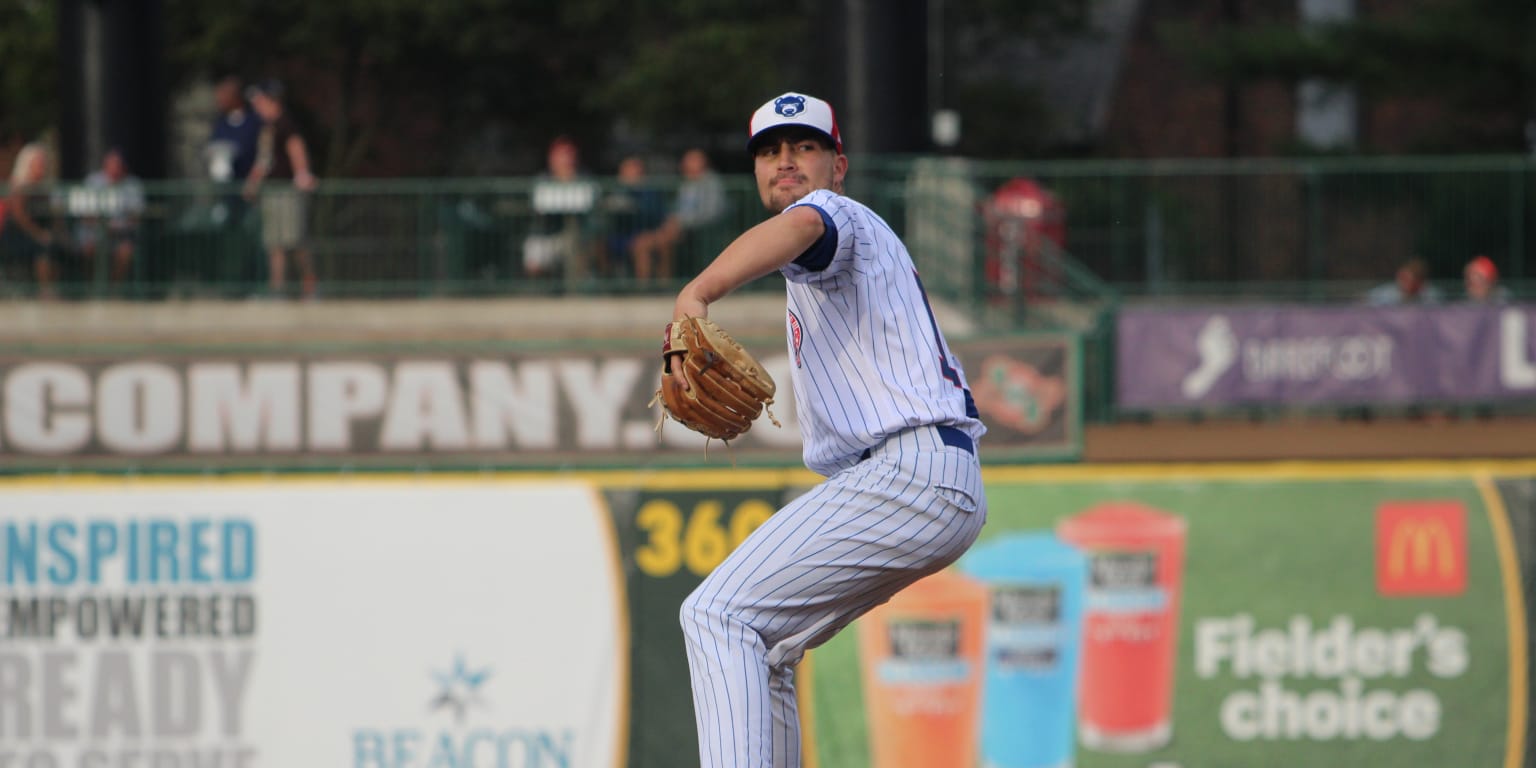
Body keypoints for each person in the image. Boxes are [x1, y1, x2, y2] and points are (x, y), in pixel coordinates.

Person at [671, 92, 988, 768]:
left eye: (804, 146)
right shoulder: (829, 248)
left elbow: (804, 226)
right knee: (768, 647)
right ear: (754, 170)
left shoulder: (833, 213)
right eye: (769, 150)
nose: (785, 160)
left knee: (717, 615)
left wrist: (696, 293)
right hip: (920, 476)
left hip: (909, 470)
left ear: (837, 164)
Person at [243, 78, 318, 299]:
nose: (256, 105)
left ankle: (311, 286)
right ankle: (277, 290)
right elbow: (264, 161)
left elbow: (296, 150)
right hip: (272, 190)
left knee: (295, 241)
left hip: (286, 190)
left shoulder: (285, 124)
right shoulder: (268, 128)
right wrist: (253, 183)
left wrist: (302, 173)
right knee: (274, 243)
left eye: (260, 100)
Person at [631, 147, 727, 282]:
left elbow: (712, 211)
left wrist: (683, 222)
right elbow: (679, 208)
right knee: (640, 243)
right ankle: (645, 284)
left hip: (698, 231)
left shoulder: (711, 183)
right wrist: (673, 220)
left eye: (692, 161)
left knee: (659, 241)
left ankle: (664, 282)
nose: (686, 165)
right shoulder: (687, 184)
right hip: (679, 229)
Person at [523, 136, 599, 280]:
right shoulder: (542, 179)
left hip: (578, 237)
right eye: (562, 155)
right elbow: (536, 207)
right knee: (535, 260)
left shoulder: (586, 178)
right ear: (552, 158)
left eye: (569, 155)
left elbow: (593, 206)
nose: (566, 159)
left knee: (581, 247)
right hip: (546, 235)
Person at [73, 148, 144, 286]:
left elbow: (136, 215)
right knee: (88, 249)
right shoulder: (92, 182)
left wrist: (117, 226)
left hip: (121, 235)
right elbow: (84, 213)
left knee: (125, 251)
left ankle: (113, 288)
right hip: (94, 233)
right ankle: (93, 286)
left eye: (118, 165)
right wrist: (102, 225)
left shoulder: (132, 185)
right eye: (111, 165)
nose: (114, 169)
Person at [0, 142, 60, 298]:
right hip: (16, 235)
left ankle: (54, 288)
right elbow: (19, 216)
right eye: (37, 163)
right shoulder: (20, 186)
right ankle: (46, 291)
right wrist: (38, 234)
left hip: (35, 234)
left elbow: (53, 216)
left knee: (56, 245)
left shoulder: (44, 188)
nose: (41, 167)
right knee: (42, 248)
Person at [596, 155, 667, 280]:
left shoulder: (650, 191)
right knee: (598, 244)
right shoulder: (614, 190)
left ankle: (643, 289)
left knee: (640, 245)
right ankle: (606, 282)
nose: (631, 174)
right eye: (627, 170)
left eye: (634, 170)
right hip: (618, 236)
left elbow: (655, 216)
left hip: (643, 234)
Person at [1366, 257, 1443, 306]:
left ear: (1420, 281)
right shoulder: (1387, 293)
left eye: (1407, 279)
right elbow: (1365, 303)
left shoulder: (1432, 296)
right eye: (1401, 277)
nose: (1401, 281)